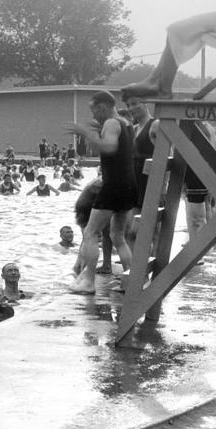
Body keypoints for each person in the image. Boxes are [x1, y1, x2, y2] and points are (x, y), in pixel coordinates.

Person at [66, 92, 135, 292]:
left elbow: (110, 147)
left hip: (113, 185)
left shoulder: (112, 123)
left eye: (94, 109)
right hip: (129, 184)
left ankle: (88, 281)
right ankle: (131, 280)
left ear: (103, 106)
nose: (94, 114)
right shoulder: (126, 123)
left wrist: (86, 133)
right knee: (118, 236)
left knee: (90, 232)